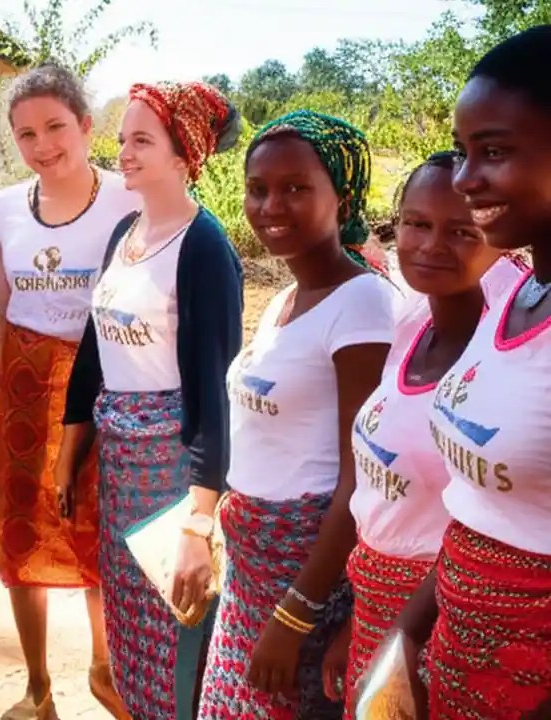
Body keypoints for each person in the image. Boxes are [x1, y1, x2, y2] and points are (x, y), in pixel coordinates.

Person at [197, 111, 398, 720]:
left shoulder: (361, 303)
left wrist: (296, 613)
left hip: (305, 569)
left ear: (342, 194)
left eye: (295, 188)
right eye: (258, 188)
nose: (270, 205)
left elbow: (361, 476)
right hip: (253, 561)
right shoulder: (287, 297)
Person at [58, 79, 243, 720]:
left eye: (143, 139)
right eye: (123, 137)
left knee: (178, 623)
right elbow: (94, 345)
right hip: (120, 464)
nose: (125, 151)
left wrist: (200, 519)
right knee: (131, 617)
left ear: (182, 154)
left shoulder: (204, 248)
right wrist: (69, 444)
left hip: (173, 471)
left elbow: (214, 388)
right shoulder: (126, 234)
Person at [319, 152, 524, 713]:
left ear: (498, 236)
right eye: (416, 223)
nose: (431, 245)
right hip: (374, 605)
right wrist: (356, 624)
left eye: (461, 230)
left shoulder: (510, 359)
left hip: (445, 615)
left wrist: (407, 629)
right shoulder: (410, 327)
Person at [388, 26, 551, 720]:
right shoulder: (515, 293)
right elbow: (474, 513)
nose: (465, 180)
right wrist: (406, 634)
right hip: (455, 653)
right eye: (461, 152)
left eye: (494, 152)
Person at [0, 62, 138, 720]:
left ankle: (106, 670)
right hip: (22, 392)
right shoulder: (4, 209)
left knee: (97, 530)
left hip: (104, 387)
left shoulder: (128, 203)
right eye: (26, 134)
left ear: (85, 125)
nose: (43, 145)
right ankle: (37, 685)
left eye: (55, 127)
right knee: (22, 535)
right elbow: (0, 309)